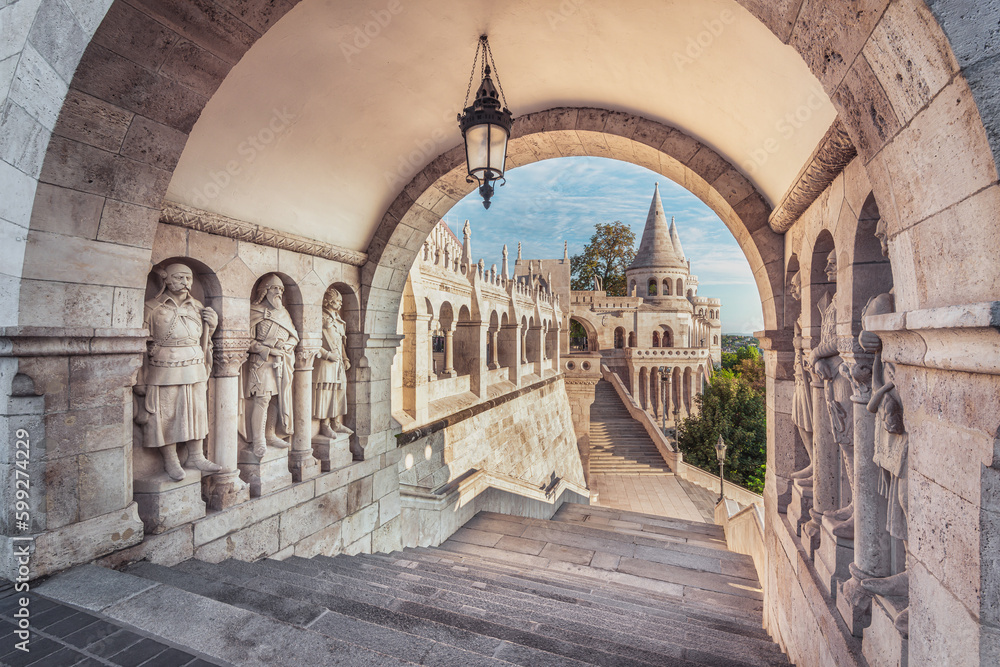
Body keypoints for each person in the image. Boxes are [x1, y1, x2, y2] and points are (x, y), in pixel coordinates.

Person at [135, 263, 222, 481]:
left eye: (189, 278)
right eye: (180, 277)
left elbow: (204, 340)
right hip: (164, 367)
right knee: (166, 415)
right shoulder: (152, 307)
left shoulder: (197, 307)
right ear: (166, 279)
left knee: (196, 411)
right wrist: (139, 378)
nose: (185, 283)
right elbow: (139, 345)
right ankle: (171, 459)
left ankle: (195, 455)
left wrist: (212, 326)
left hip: (194, 365)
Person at [241, 274, 297, 458]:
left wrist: (285, 346)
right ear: (264, 290)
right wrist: (268, 350)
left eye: (281, 289)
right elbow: (247, 341)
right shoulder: (254, 311)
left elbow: (293, 336)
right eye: (275, 288)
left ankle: (270, 434)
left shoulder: (284, 313)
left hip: (281, 362)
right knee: (262, 399)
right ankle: (258, 440)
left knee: (276, 399)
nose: (278, 293)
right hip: (261, 363)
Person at [314, 289, 352, 437]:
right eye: (338, 300)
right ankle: (325, 425)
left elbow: (341, 342)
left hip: (339, 363)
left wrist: (345, 358)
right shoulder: (320, 317)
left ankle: (336, 422)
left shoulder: (339, 320)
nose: (341, 303)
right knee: (327, 392)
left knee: (340, 390)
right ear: (328, 301)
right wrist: (327, 355)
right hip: (325, 362)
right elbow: (312, 341)